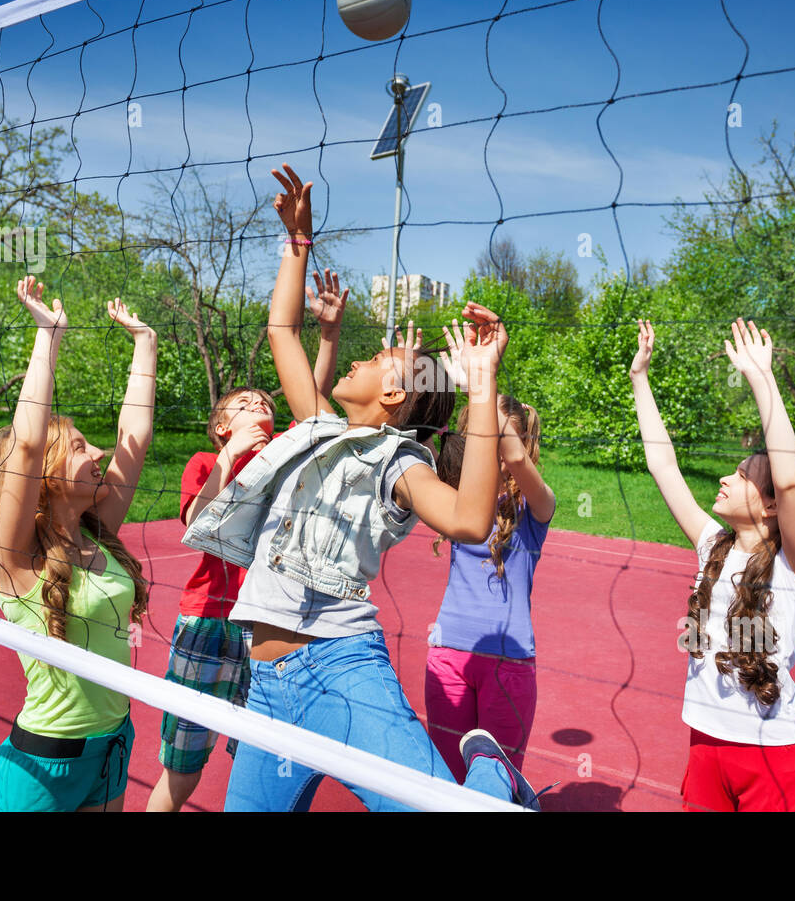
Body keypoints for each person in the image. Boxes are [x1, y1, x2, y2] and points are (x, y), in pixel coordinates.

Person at [184, 163, 537, 810]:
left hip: (337, 673)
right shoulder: (319, 427)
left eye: (377, 360)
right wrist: (297, 244)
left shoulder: (397, 462)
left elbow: (465, 519)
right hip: (264, 684)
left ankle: (493, 775)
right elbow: (281, 331)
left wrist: (481, 388)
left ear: (395, 394)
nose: (360, 357)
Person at [147, 271, 348, 812]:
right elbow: (199, 522)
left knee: (261, 761)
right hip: (208, 621)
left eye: (265, 400)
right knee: (183, 768)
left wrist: (327, 335)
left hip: (263, 624)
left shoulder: (283, 455)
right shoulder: (208, 462)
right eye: (244, 402)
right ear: (220, 426)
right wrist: (232, 456)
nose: (260, 402)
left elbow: (312, 400)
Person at [0, 279, 156, 812]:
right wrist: (48, 336)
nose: (99, 452)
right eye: (80, 446)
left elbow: (135, 437)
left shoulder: (96, 527)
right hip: (42, 765)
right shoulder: (16, 558)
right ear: (47, 479)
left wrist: (145, 343)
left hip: (112, 748)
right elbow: (29, 443)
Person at [630, 318, 795, 811]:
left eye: (741, 476)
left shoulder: (794, 566)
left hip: (772, 758)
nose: (724, 479)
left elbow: (791, 479)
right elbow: (662, 464)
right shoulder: (712, 542)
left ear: (773, 504)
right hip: (705, 745)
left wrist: (762, 379)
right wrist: (640, 379)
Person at [425, 334, 555, 780]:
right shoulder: (457, 498)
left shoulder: (536, 505)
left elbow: (515, 457)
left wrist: (480, 386)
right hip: (448, 655)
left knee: (495, 783)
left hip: (509, 663)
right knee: (445, 781)